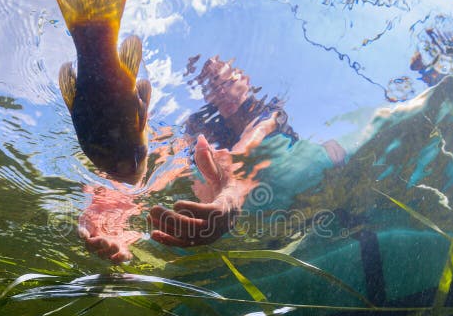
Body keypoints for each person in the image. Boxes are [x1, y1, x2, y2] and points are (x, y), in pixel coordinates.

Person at [78, 56, 346, 262]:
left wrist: (230, 193)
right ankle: (112, 220)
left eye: (226, 82)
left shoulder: (267, 109)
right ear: (207, 95)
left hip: (274, 162)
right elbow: (174, 155)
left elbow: (248, 143)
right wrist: (119, 196)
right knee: (160, 148)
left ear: (245, 80)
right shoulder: (201, 122)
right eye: (214, 87)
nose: (222, 92)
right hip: (225, 170)